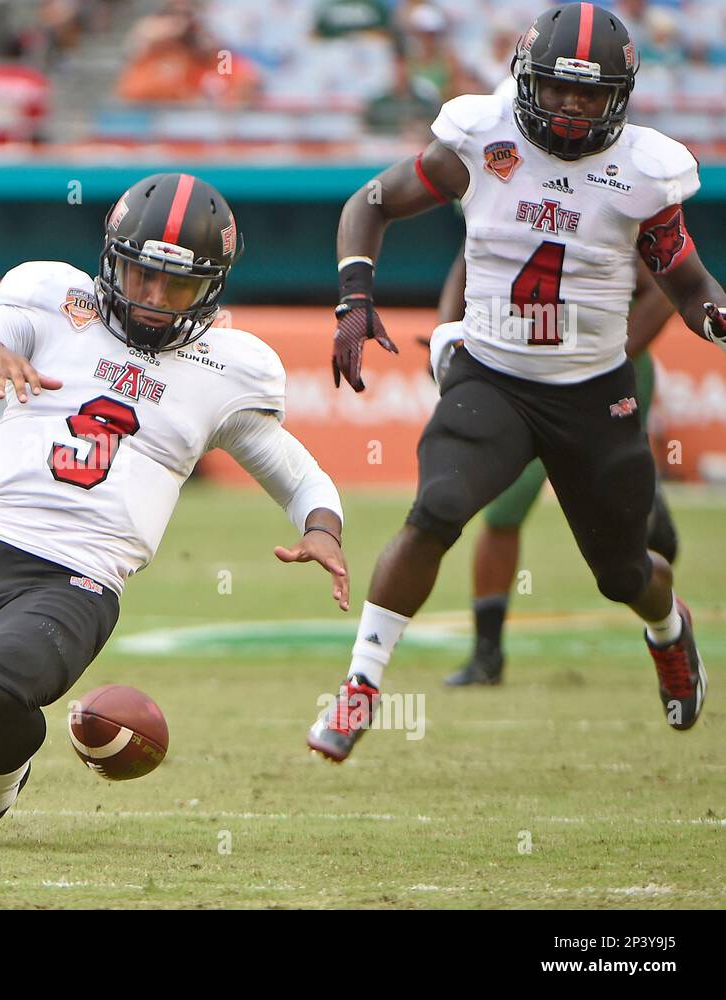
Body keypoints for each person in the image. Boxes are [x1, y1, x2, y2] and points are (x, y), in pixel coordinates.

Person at [0, 173, 347, 844]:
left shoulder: (226, 369)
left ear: (208, 289)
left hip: (77, 576)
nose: (150, 298)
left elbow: (298, 476)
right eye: (139, 274)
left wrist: (322, 528)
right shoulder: (53, 301)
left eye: (173, 285)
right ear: (111, 258)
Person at [309, 3, 721, 762]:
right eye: (556, 90)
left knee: (623, 572)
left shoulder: (644, 169)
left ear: (618, 100)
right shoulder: (481, 136)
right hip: (493, 372)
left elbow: (688, 285)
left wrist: (719, 321)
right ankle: (361, 685)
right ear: (524, 81)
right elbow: (370, 203)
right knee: (436, 509)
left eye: (588, 95)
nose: (568, 108)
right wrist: (354, 299)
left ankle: (669, 629)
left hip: (594, 389)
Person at [439, 248, 679, 686]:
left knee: (616, 525)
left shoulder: (604, 191)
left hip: (596, 376)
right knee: (505, 507)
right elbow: (466, 259)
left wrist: (608, 362)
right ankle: (486, 653)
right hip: (525, 377)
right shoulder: (501, 188)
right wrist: (448, 333)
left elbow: (662, 290)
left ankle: (644, 506)